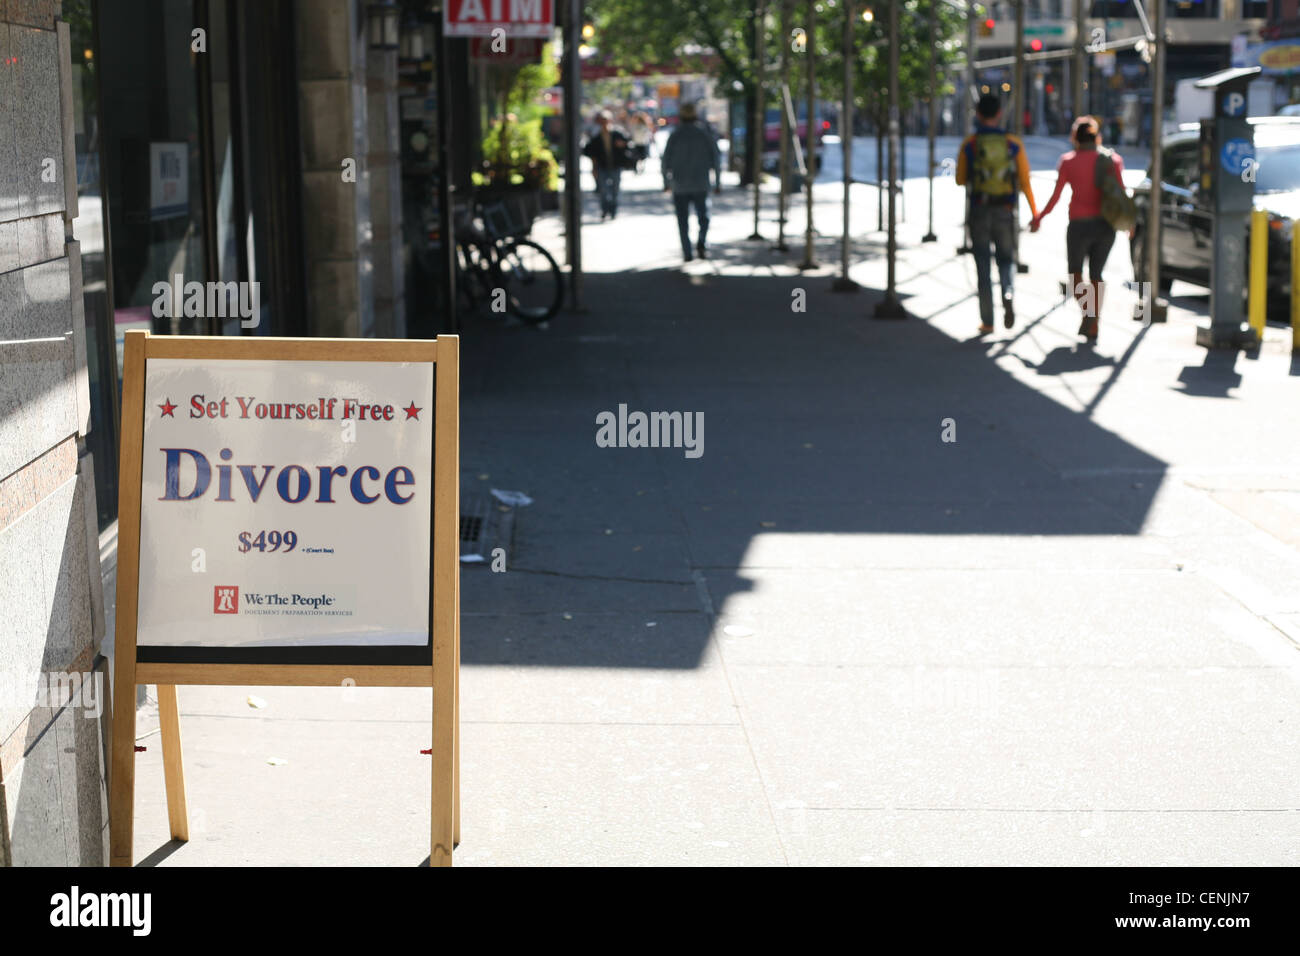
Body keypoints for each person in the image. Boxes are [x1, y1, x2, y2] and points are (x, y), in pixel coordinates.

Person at [1030, 115, 1124, 345]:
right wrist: (1128, 223)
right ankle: (1094, 320)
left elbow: (1056, 196)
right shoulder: (1112, 160)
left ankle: (1089, 315)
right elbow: (1120, 193)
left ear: (1075, 138)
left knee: (1075, 276)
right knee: (1097, 275)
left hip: (1079, 226)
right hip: (1106, 225)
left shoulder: (1068, 161)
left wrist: (1039, 218)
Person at [955, 94, 1038, 334]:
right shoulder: (1013, 143)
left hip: (979, 209)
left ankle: (988, 321)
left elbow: (960, 179)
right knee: (1006, 259)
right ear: (999, 113)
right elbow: (1025, 181)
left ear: (978, 114)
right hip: (1005, 210)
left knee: (982, 263)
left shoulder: (970, 144)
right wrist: (1035, 212)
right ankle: (1008, 292)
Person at [661, 102, 722, 262]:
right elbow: (716, 158)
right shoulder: (704, 134)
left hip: (680, 185)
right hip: (700, 183)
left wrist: (666, 182)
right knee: (704, 217)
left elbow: (665, 160)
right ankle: (701, 243)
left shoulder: (676, 135)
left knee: (683, 220)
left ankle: (688, 252)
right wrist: (718, 182)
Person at [582, 110, 631, 220]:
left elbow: (628, 143)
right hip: (602, 167)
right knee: (603, 191)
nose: (604, 123)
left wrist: (622, 145)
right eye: (602, 121)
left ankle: (613, 211)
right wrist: (594, 169)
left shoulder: (617, 134)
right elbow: (592, 154)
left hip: (615, 166)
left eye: (605, 120)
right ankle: (605, 210)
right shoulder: (596, 136)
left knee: (615, 190)